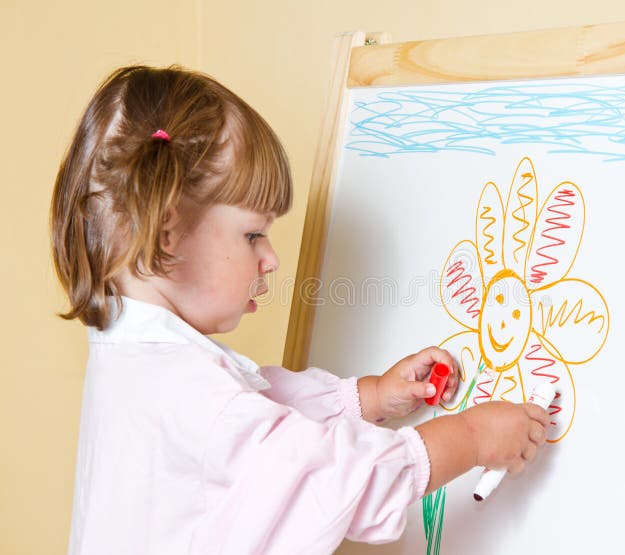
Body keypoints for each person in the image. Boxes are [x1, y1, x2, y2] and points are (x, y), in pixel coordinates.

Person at [50, 65, 550, 554]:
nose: (270, 258)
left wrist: (369, 397)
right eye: (253, 234)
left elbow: (258, 420)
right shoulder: (193, 395)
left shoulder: (137, 359)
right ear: (170, 233)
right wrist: (471, 436)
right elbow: (336, 481)